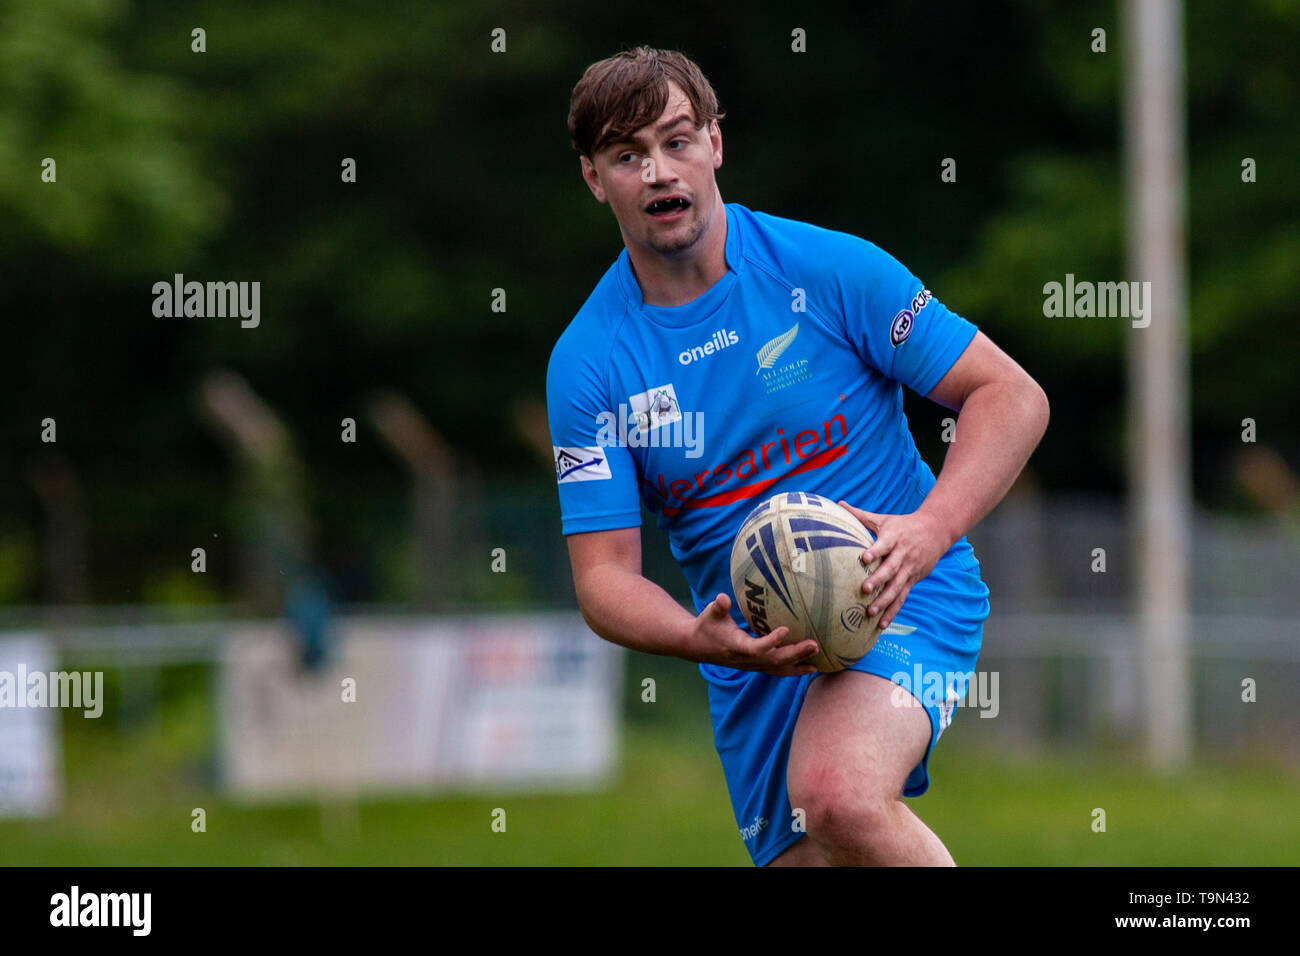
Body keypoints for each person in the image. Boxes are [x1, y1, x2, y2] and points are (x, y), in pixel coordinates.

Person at [546, 46, 1049, 866]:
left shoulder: (827, 269)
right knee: (822, 839)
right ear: (595, 179)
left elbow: (1011, 396)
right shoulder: (590, 362)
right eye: (627, 155)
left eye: (677, 140)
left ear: (716, 142)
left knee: (837, 795)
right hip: (752, 656)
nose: (659, 171)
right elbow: (602, 577)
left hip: (899, 594)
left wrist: (926, 532)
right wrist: (696, 637)